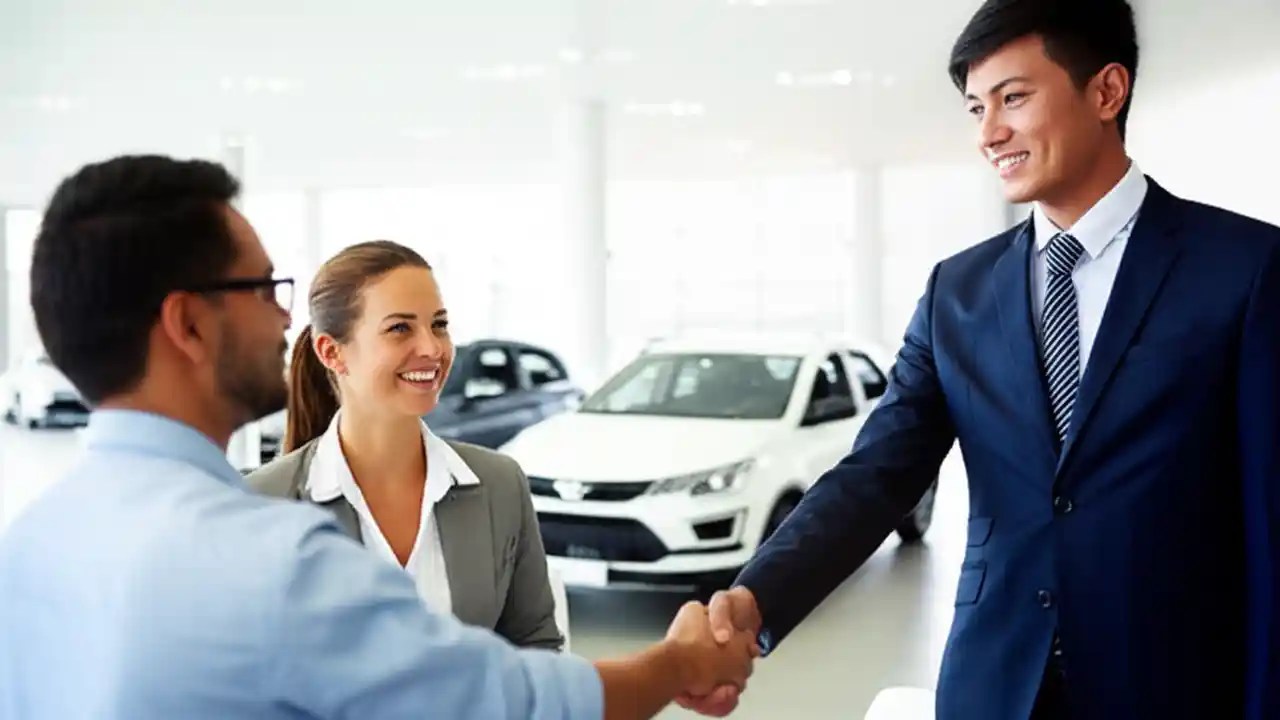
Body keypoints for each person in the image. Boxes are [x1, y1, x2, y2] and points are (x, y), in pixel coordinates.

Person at [682, 0, 1280, 718]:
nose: (990, 133)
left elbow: (1271, 519)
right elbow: (877, 474)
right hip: (995, 685)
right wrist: (754, 599)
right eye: (975, 109)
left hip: (1173, 684)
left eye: (1014, 98)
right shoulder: (955, 292)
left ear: (1106, 91)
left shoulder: (1244, 270)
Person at [0, 154, 756, 720]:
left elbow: (528, 650)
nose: (283, 318)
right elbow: (503, 700)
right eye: (262, 290)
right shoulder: (268, 552)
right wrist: (676, 663)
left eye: (438, 324)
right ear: (189, 324)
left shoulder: (30, 547)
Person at [245, 240, 564, 650]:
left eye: (439, 325)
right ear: (332, 352)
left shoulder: (499, 485)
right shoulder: (264, 504)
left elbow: (536, 644)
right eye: (400, 328)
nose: (432, 348)